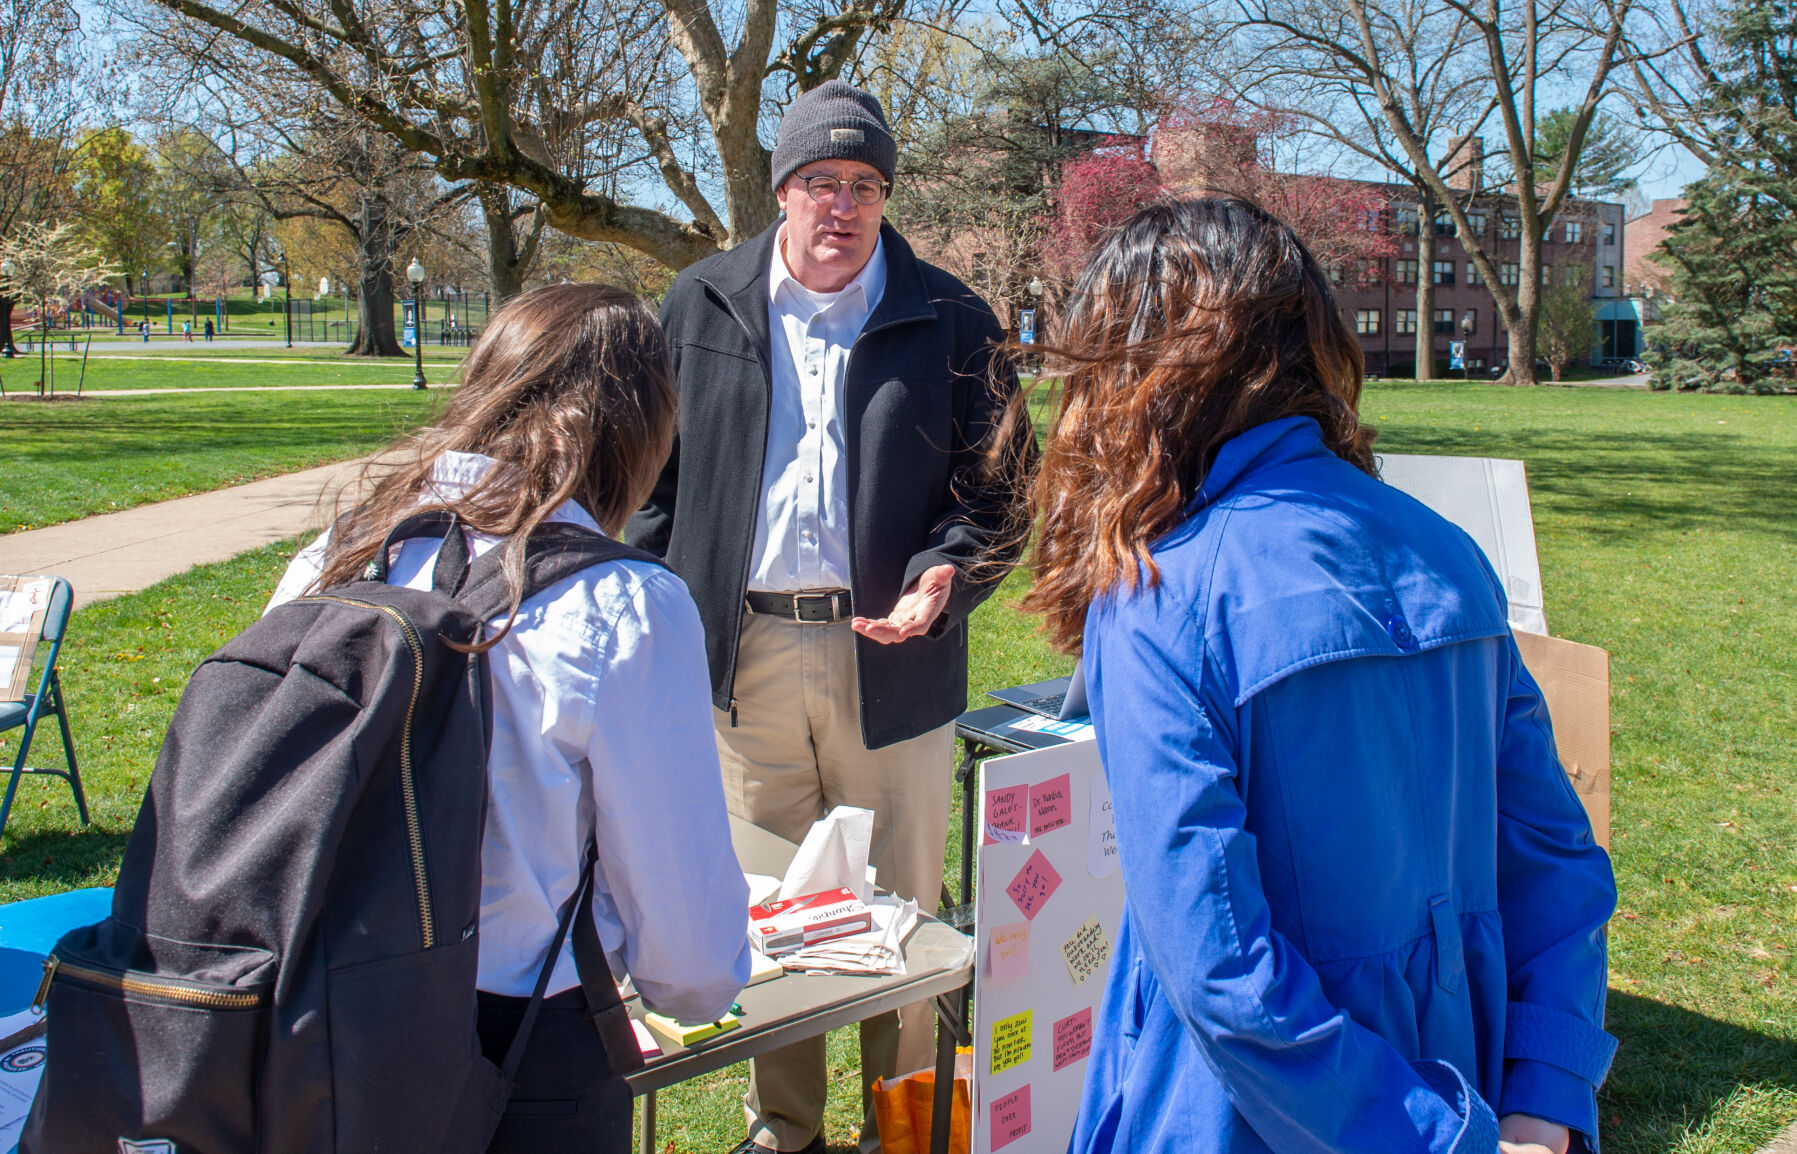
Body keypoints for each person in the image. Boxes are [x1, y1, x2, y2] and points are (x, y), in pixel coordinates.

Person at [1015, 198, 1618, 1154]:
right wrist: (1540, 1099)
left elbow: (1217, 963)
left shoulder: (1161, 593)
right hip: (1453, 1082)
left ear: (1132, 375)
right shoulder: (1445, 552)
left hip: (1243, 1112)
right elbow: (1556, 862)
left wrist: (1444, 1130)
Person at [627, 79, 1024, 1154]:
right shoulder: (699, 302)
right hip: (744, 654)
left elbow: (1002, 493)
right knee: (770, 904)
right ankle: (786, 1125)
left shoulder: (952, 317)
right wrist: (652, 604)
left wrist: (947, 573)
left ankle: (908, 1126)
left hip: (890, 660)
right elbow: (648, 486)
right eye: (820, 182)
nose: (842, 206)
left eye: (865, 185)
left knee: (900, 911)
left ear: (886, 196)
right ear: (782, 190)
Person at [268, 283, 751, 1153]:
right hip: (522, 1034)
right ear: (639, 426)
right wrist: (699, 988)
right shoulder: (624, 601)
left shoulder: (340, 551)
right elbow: (680, 919)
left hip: (320, 1008)